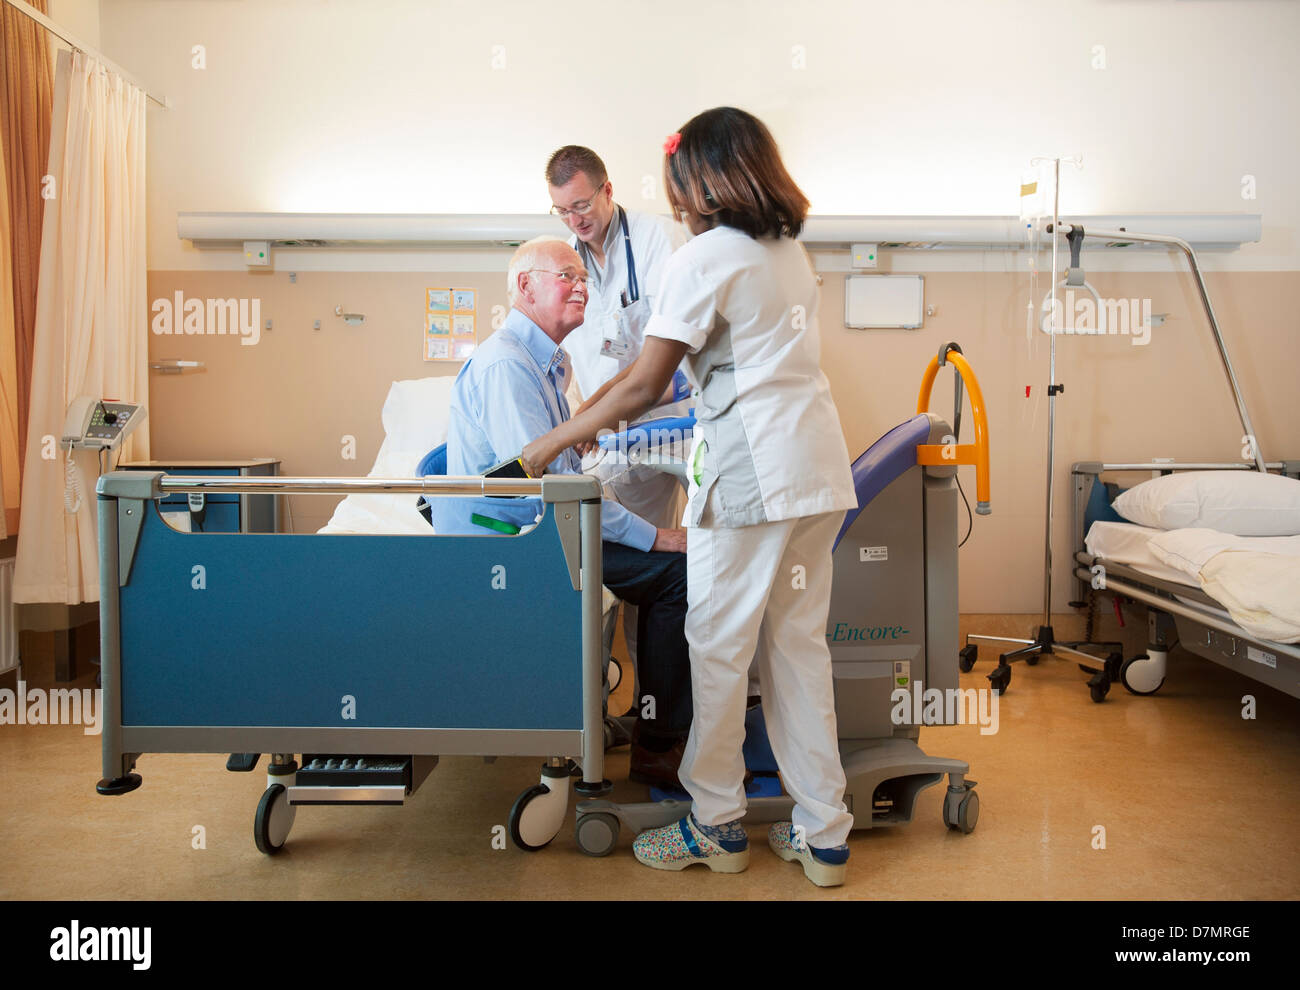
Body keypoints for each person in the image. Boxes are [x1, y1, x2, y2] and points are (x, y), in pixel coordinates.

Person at [522, 108, 857, 887]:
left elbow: (646, 382)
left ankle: (716, 826)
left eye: (676, 180)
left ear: (699, 179)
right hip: (814, 472)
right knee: (798, 655)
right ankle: (824, 836)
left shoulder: (705, 255)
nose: (672, 198)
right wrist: (589, 418)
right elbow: (654, 371)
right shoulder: (788, 253)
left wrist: (548, 442)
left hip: (751, 477)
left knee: (716, 651)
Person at [426, 236, 692, 788]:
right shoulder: (507, 367)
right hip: (512, 542)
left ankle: (648, 722)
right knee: (678, 576)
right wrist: (652, 535)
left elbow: (561, 461)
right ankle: (659, 746)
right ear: (525, 287)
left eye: (583, 277)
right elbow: (544, 490)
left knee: (666, 558)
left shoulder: (547, 365)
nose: (581, 285)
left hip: (538, 525)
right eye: (565, 275)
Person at [546, 147, 689, 696]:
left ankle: (661, 710)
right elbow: (578, 358)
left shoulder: (660, 242)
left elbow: (662, 358)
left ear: (608, 191)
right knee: (632, 565)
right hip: (607, 432)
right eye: (562, 210)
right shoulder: (566, 259)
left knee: (671, 568)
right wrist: (578, 423)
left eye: (582, 204)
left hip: (670, 425)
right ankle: (609, 706)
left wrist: (580, 424)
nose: (575, 219)